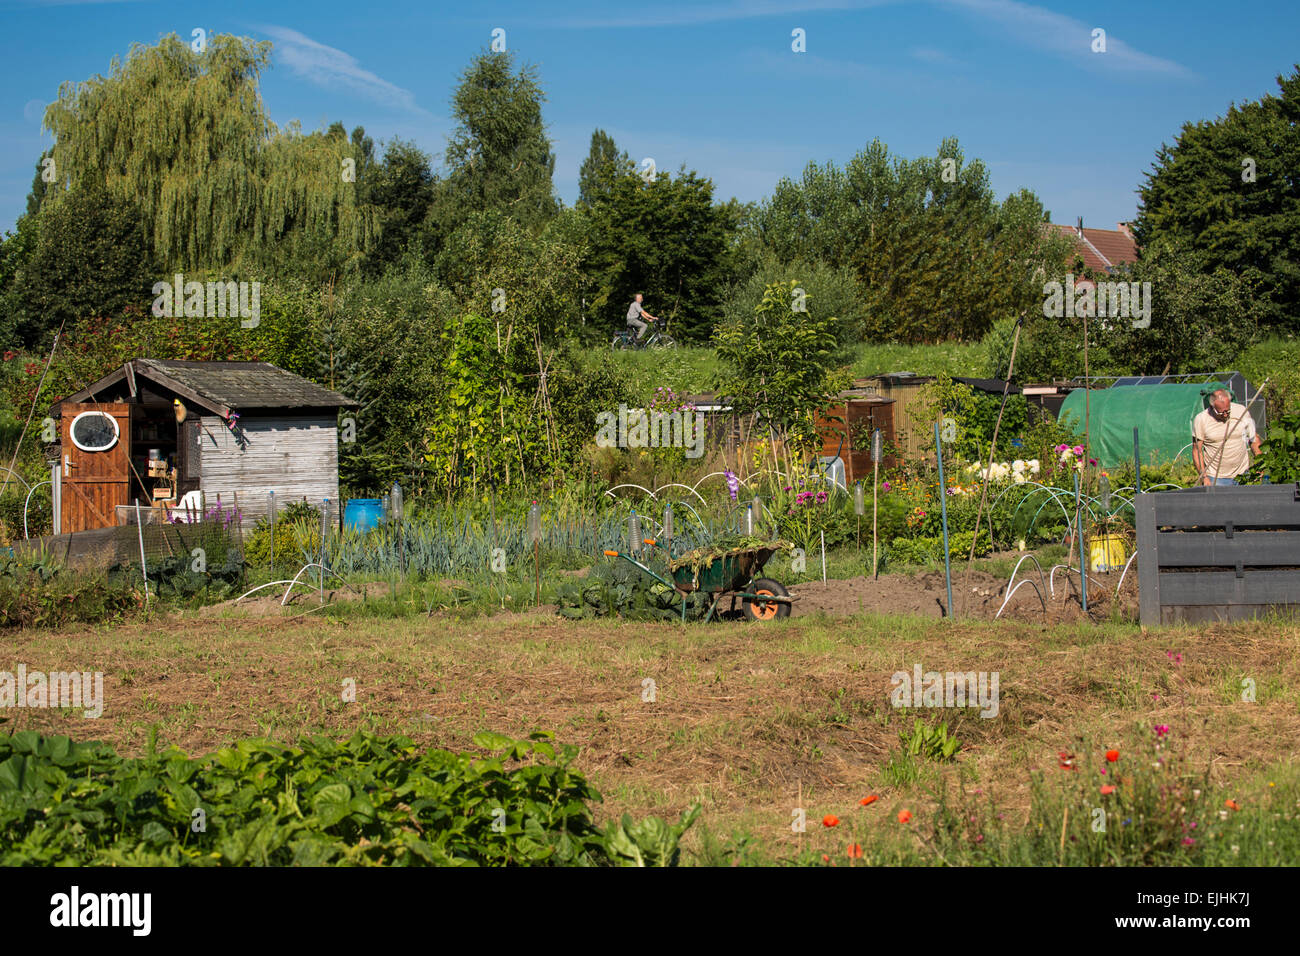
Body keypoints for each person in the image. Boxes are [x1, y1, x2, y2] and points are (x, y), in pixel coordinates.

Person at [1192, 388, 1260, 486]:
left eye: (1228, 411)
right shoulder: (1201, 419)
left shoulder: (1241, 411)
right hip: (1216, 478)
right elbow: (1196, 451)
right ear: (1212, 406)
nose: (1225, 415)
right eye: (1220, 412)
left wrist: (1259, 465)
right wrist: (1204, 477)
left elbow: (1254, 439)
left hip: (1243, 474)